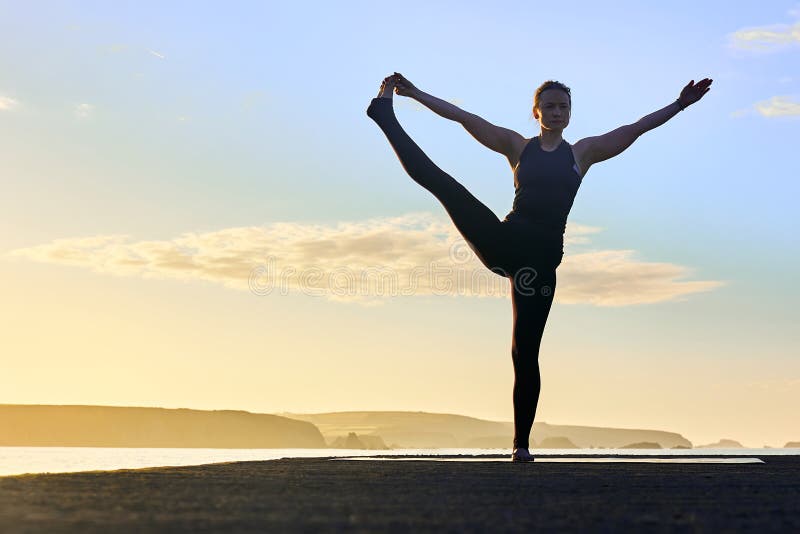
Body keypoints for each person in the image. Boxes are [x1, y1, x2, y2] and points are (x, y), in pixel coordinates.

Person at [366, 73, 712, 462]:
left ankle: (521, 445)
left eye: (563, 106)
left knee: (525, 351)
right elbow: (464, 117)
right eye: (549, 106)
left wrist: (679, 105)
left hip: (540, 265)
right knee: (442, 183)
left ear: (570, 113)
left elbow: (634, 129)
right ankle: (384, 115)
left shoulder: (582, 154)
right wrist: (415, 94)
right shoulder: (518, 147)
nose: (557, 111)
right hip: (504, 244)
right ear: (537, 112)